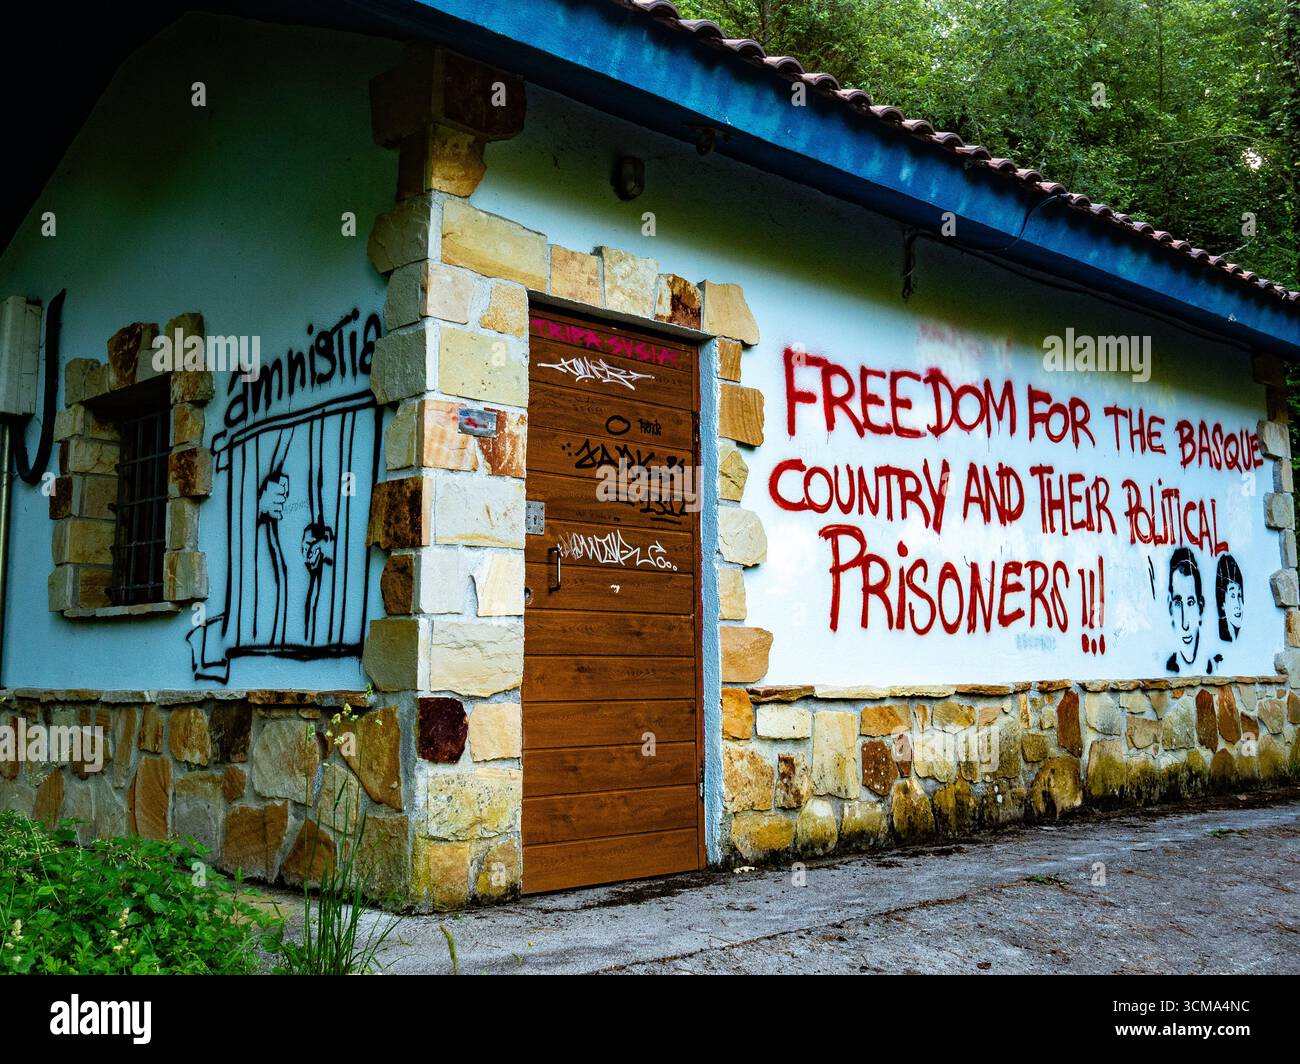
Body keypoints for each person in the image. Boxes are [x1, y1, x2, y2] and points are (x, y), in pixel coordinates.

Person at [1165, 547, 1203, 674]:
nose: (1185, 624)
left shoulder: (1215, 665)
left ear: (1201, 608)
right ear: (1170, 608)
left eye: (1191, 603)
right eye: (1178, 604)